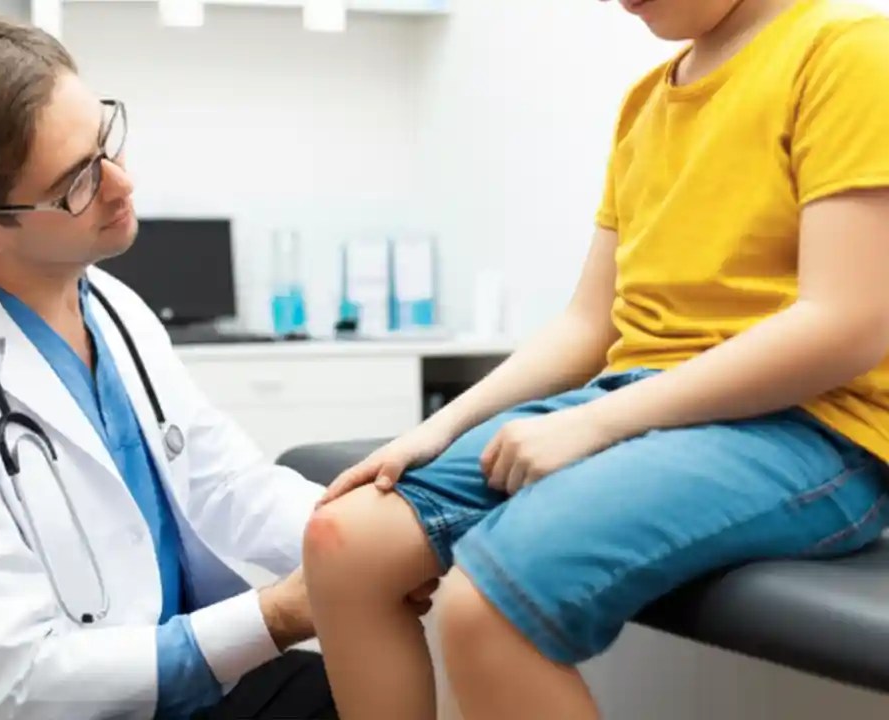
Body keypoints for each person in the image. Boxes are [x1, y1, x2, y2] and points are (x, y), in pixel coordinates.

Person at [302, 1, 889, 718]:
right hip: (639, 399)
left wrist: (601, 423)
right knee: (342, 544)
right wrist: (439, 429)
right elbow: (589, 322)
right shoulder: (646, 100)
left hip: (807, 426)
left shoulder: (850, 52)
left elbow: (850, 324)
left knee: (489, 606)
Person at [0, 7, 388, 719]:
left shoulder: (113, 306)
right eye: (76, 182)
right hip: (16, 711)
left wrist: (365, 539)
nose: (122, 183)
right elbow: (22, 680)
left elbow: (223, 483)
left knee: (381, 693)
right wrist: (282, 614)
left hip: (173, 684)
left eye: (105, 141)